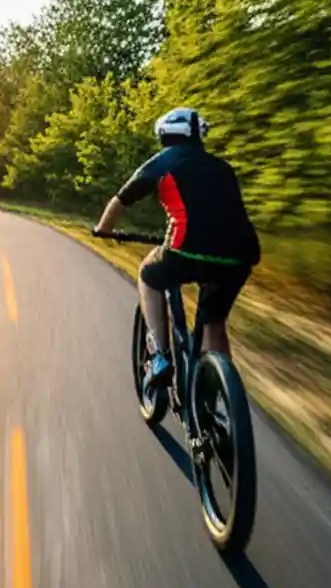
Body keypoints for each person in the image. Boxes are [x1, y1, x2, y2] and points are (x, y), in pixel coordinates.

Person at [93, 107, 260, 392]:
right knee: (214, 325)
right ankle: (219, 398)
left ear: (166, 134)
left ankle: (159, 356)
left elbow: (120, 201)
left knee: (148, 274)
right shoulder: (223, 167)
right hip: (239, 256)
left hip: (187, 250)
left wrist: (103, 230)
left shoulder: (162, 162)